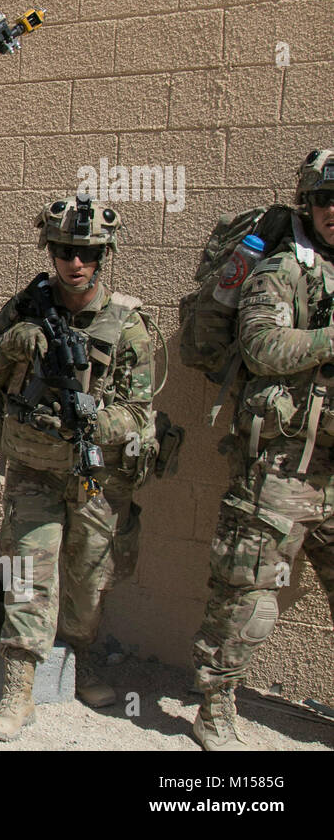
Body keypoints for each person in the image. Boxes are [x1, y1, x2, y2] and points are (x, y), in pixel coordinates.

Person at [0, 194, 154, 741]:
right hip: (33, 465)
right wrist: (11, 343)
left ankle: (79, 662)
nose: (75, 263)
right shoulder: (25, 308)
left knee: (88, 582)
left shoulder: (127, 324)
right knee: (28, 572)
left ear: (104, 254)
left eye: (87, 252)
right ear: (50, 252)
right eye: (64, 251)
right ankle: (17, 690)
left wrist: (95, 423)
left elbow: (141, 411)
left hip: (95, 473)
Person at [191, 148, 334, 750]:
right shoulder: (283, 269)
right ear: (310, 203)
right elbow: (260, 348)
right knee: (249, 593)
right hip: (284, 464)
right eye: (328, 202)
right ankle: (215, 705)